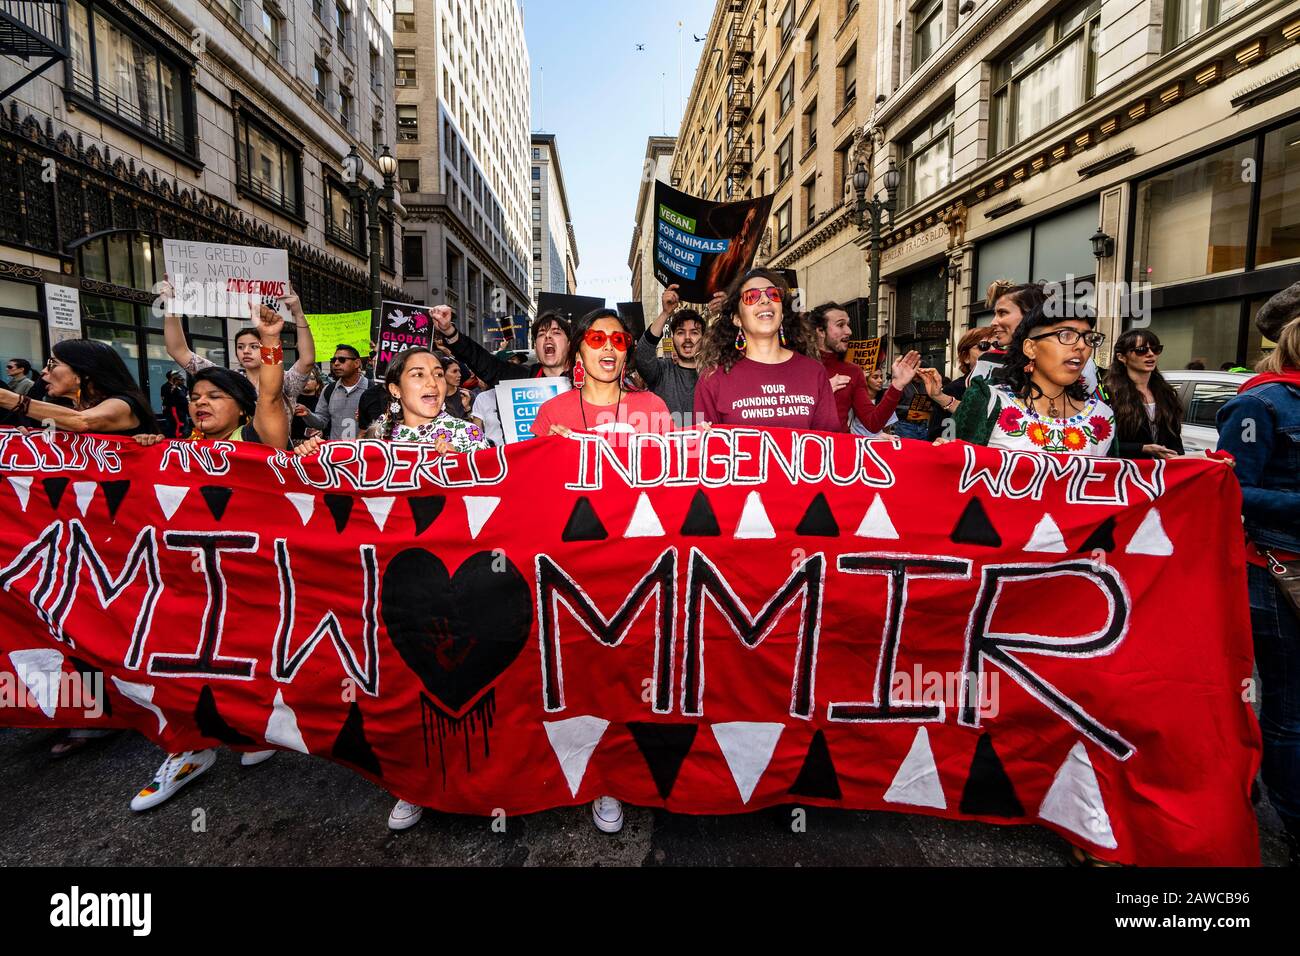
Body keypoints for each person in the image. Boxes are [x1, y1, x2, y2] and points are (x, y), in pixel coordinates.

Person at [297, 347, 487, 832]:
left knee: (463, 679)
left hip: (458, 577)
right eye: (416, 375)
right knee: (405, 684)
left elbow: (494, 505)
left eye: (436, 375)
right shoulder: (374, 439)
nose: (431, 382)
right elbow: (344, 491)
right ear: (397, 390)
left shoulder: (471, 436)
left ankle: (477, 778)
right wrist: (313, 459)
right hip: (397, 582)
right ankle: (413, 783)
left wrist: (464, 470)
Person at [127, 300, 289, 810]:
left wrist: (268, 340)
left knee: (250, 659)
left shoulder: (260, 437)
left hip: (252, 575)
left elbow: (269, 392)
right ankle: (189, 750)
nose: (201, 403)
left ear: (239, 407)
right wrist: (148, 449)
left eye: (216, 396)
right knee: (176, 661)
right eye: (196, 396)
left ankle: (254, 731)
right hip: (189, 578)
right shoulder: (180, 445)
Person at [1216, 281, 1300, 867]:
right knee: (1291, 708)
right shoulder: (1261, 402)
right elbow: (1233, 491)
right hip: (1279, 572)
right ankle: (1293, 821)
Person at [944, 306, 1115, 455]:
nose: (1082, 346)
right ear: (1030, 348)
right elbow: (955, 471)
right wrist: (944, 452)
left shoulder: (1101, 417)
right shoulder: (990, 400)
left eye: (1088, 338)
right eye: (1066, 335)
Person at [694, 269, 842, 432]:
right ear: (737, 319)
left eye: (773, 294)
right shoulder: (713, 380)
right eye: (751, 297)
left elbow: (831, 447)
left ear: (782, 314)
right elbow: (701, 449)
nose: (765, 300)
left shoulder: (814, 373)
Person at [161, 277, 316, 421]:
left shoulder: (286, 380)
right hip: (235, 450)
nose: (246, 351)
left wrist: (298, 313)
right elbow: (178, 351)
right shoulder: (228, 379)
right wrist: (171, 307)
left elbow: (307, 360)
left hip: (275, 449)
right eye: (240, 347)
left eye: (254, 346)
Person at [431, 306, 572, 443]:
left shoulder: (584, 381)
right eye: (541, 334)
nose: (547, 337)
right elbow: (483, 362)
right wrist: (450, 331)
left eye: (556, 332)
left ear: (569, 344)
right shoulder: (522, 377)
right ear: (536, 347)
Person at [533, 309, 673, 441]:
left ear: (625, 356)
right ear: (578, 355)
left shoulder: (652, 407)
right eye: (596, 338)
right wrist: (548, 450)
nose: (609, 346)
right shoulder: (551, 413)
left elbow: (676, 461)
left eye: (618, 340)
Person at [0, 339, 159, 438]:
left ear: (84, 373)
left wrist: (6, 398)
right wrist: (27, 438)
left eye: (52, 365)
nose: (44, 371)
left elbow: (80, 422)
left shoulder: (122, 404)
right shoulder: (65, 408)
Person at [811, 301, 920, 435]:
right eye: (840, 325)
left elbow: (873, 423)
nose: (849, 331)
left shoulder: (853, 372)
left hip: (841, 452)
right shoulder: (799, 366)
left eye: (848, 325)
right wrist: (822, 393)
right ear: (820, 331)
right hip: (802, 451)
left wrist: (897, 385)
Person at [1105, 330, 1185, 459]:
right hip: (1126, 472)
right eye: (1141, 350)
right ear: (1121, 357)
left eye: (1155, 349)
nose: (1150, 354)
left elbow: (1175, 441)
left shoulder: (1166, 393)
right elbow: (1102, 444)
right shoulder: (1109, 395)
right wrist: (1143, 448)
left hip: (1161, 473)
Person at [634, 283, 703, 427]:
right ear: (672, 338)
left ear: (704, 337)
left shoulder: (712, 375)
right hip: (667, 448)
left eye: (694, 332)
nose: (687, 338)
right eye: (680, 332)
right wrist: (666, 313)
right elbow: (642, 354)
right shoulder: (662, 372)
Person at [298, 345, 371, 440]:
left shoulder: (371, 389)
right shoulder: (329, 390)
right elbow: (322, 423)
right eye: (333, 360)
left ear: (357, 363)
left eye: (342, 360)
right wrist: (308, 414)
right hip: (336, 452)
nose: (336, 363)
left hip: (364, 452)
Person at [440, 355, 473, 420]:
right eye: (454, 371)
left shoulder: (467, 395)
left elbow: (475, 426)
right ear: (442, 373)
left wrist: (467, 408)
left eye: (459, 371)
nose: (459, 375)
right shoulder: (433, 397)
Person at [160, 369, 190, 439]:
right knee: (174, 427)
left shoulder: (181, 386)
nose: (179, 375)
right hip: (173, 411)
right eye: (176, 374)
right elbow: (164, 398)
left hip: (183, 410)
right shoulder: (165, 386)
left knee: (185, 427)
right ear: (171, 377)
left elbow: (187, 393)